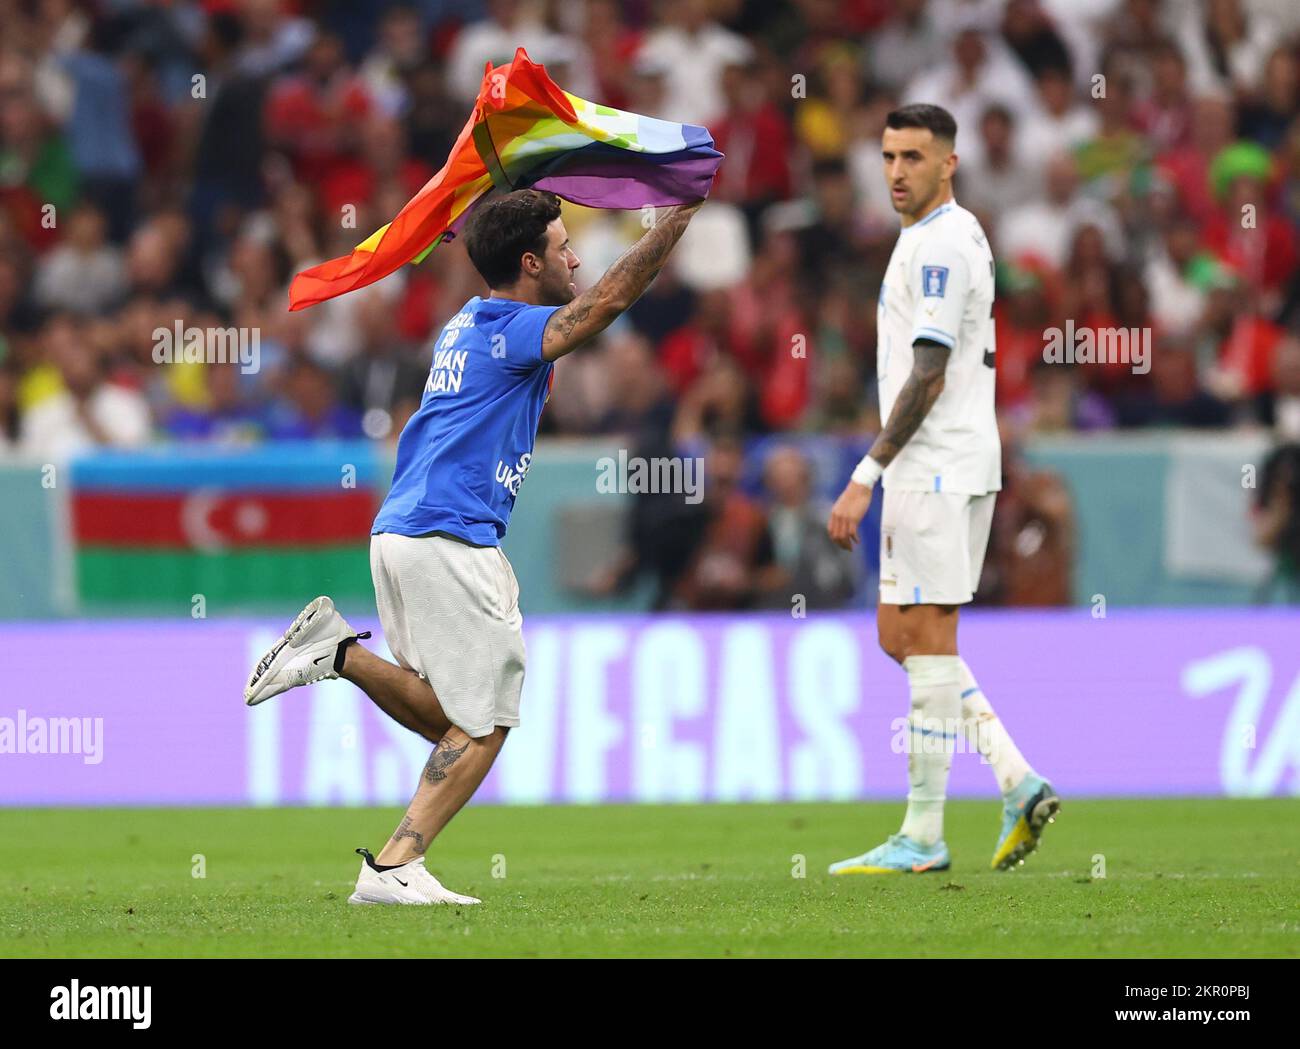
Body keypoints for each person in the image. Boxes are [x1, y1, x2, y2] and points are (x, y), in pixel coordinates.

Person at [243, 189, 704, 904]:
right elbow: (609, 303)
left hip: (401, 530)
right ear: (529, 263)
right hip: (448, 535)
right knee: (487, 719)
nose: (576, 258)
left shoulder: (466, 321)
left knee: (458, 715)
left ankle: (338, 652)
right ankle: (395, 863)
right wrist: (670, 224)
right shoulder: (514, 326)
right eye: (562, 247)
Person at [825, 104, 1059, 876]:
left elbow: (928, 372)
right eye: (889, 156)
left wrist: (865, 474)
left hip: (935, 465)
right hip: (936, 464)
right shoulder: (926, 238)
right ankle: (1016, 777)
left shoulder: (944, 246)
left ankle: (923, 832)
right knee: (900, 635)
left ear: (949, 163)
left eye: (914, 158)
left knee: (927, 643)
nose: (897, 172)